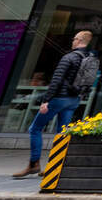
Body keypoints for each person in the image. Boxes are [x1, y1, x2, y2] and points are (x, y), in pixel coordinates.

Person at [14, 30, 94, 178]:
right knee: (62, 132)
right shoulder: (90, 58)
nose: (72, 41)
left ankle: (34, 164)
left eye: (74, 39)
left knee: (35, 128)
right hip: (73, 99)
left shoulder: (69, 57)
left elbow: (57, 80)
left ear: (78, 40)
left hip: (59, 98)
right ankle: (55, 166)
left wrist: (46, 100)